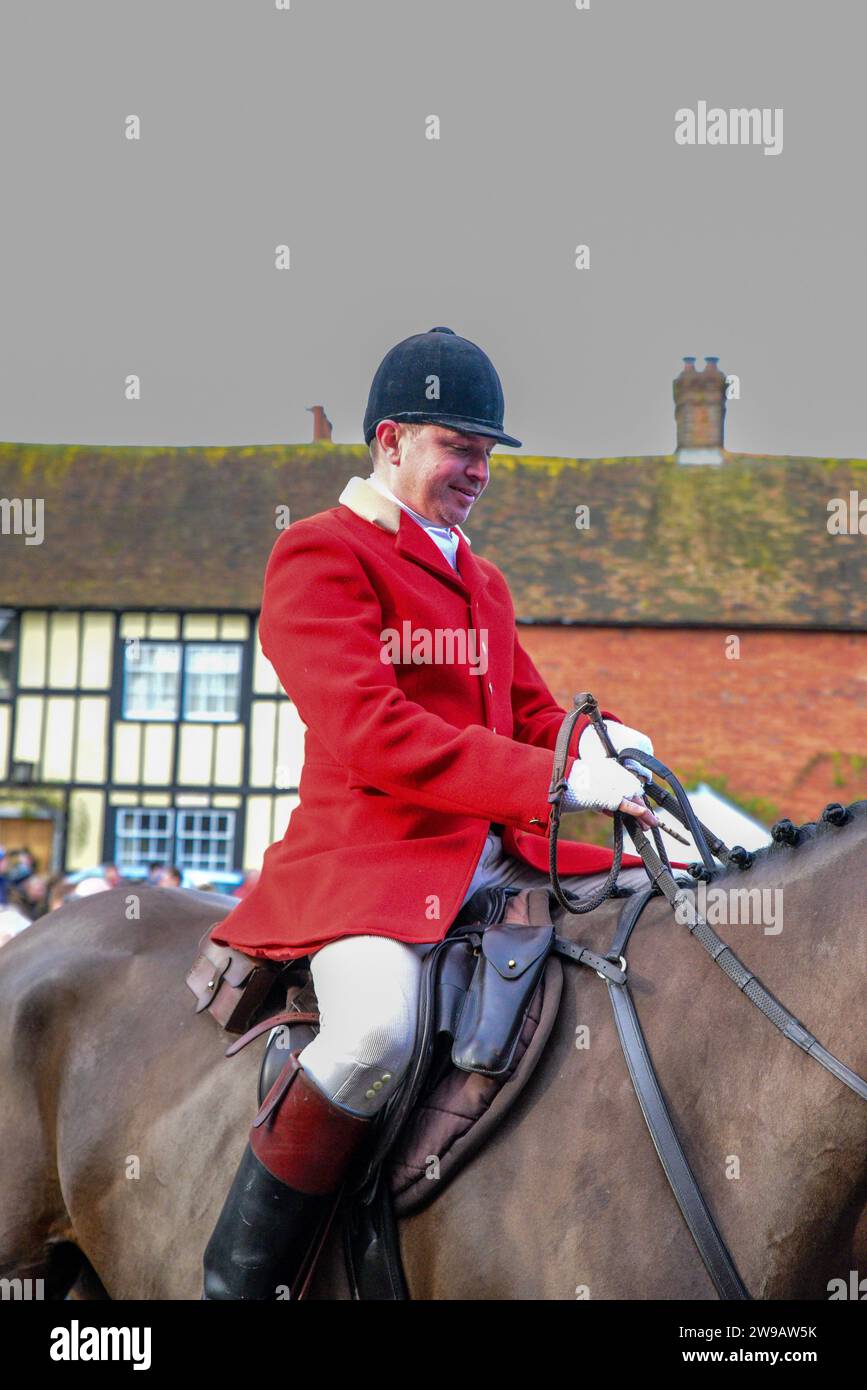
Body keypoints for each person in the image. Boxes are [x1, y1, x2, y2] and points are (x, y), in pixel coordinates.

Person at [202, 326, 667, 1301]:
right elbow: (375, 732)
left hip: (496, 864)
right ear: (391, 440)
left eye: (488, 451)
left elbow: (531, 711)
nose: (480, 469)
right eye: (461, 446)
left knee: (663, 930)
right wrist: (551, 783)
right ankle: (240, 1282)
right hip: (367, 864)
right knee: (374, 1031)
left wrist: (607, 745)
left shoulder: (480, 579)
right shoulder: (319, 554)